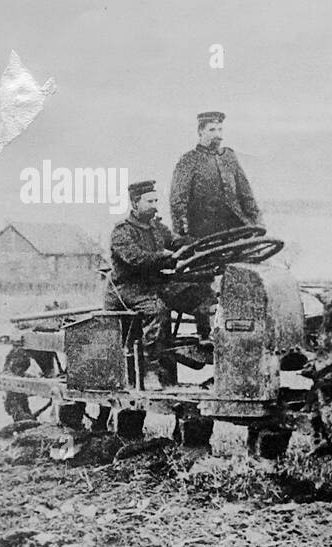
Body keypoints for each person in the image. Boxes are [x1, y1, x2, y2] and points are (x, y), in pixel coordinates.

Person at [104, 180, 214, 390]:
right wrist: (167, 259)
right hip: (128, 288)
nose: (155, 205)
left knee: (201, 293)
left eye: (156, 200)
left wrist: (197, 244)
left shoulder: (157, 227)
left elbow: (176, 241)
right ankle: (150, 369)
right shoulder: (122, 231)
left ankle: (205, 338)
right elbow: (135, 259)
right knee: (157, 310)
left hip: (154, 284)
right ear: (135, 203)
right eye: (149, 201)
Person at [170, 110, 262, 240]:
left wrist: (257, 222)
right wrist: (183, 233)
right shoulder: (188, 160)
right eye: (212, 130)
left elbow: (246, 195)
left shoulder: (229, 157)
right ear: (200, 132)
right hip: (204, 232)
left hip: (236, 227)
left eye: (220, 130)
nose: (217, 135)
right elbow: (178, 201)